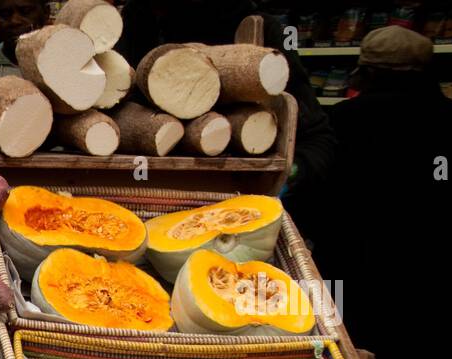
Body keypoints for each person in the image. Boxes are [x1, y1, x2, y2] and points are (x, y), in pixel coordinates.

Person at [305, 26, 452, 359]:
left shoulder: (345, 120)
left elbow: (312, 196)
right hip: (431, 282)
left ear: (368, 73)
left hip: (351, 273)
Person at [117, 0, 336, 211]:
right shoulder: (132, 22)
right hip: (137, 200)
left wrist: (281, 179)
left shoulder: (261, 31)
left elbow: (317, 140)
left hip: (235, 202)